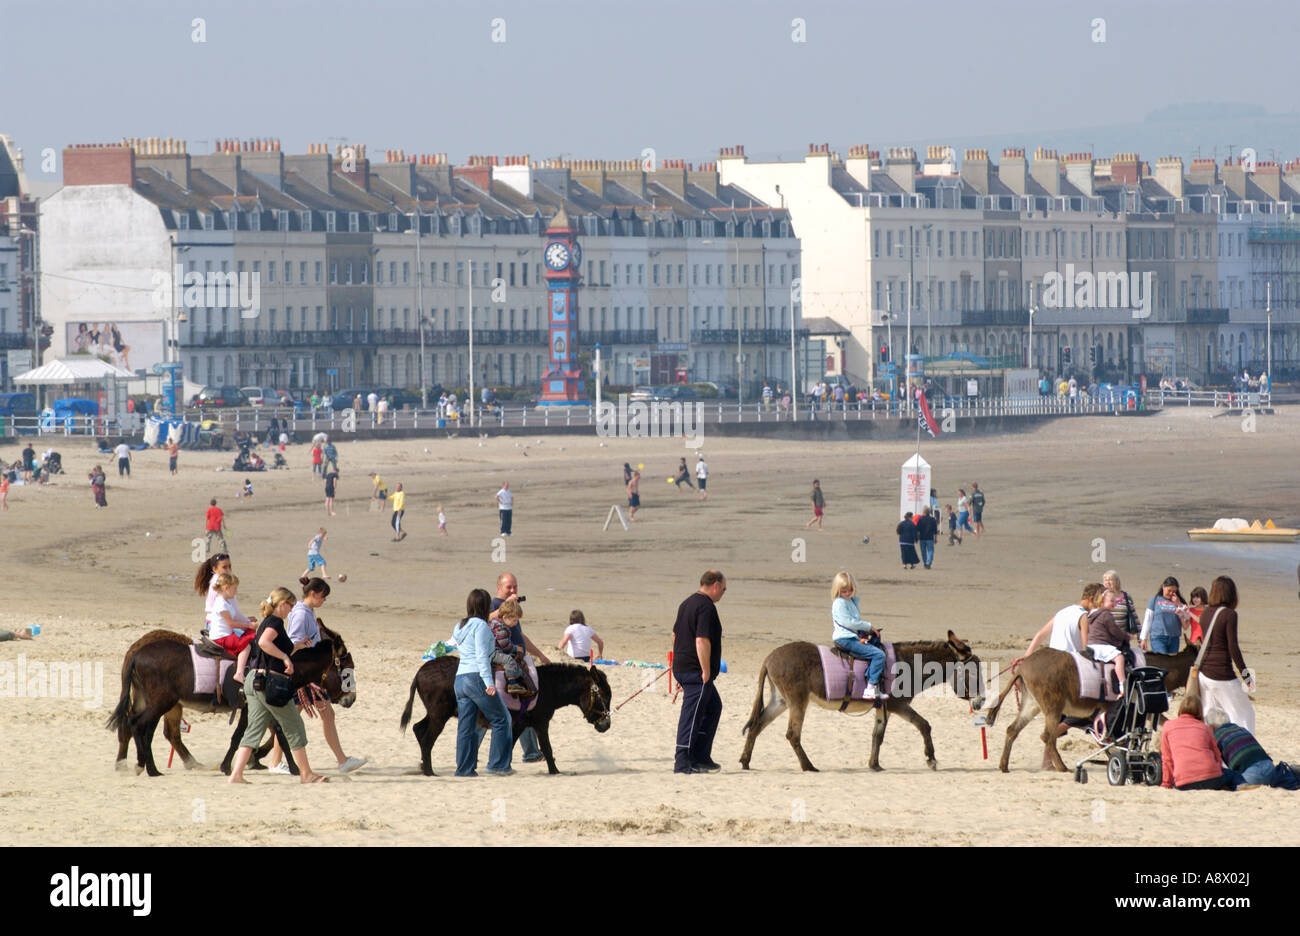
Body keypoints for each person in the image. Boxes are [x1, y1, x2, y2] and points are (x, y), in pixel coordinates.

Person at [228, 586, 329, 784]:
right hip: (270, 684)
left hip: (253, 681)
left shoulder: (266, 621)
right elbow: (266, 643)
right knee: (294, 725)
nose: (291, 610)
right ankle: (306, 774)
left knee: (254, 728)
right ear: (282, 604)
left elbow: (268, 648)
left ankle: (236, 774)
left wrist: (296, 647)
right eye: (290, 606)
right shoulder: (275, 621)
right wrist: (285, 657)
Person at [287, 577, 366, 773]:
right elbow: (294, 645)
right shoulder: (300, 614)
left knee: (293, 717)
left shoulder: (307, 611)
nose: (324, 601)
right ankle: (342, 760)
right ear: (312, 594)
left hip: (309, 673)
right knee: (301, 717)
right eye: (323, 597)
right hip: (306, 674)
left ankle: (341, 760)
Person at [490, 572, 551, 764]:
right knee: (502, 708)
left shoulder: (512, 609)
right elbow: (482, 619)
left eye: (515, 586)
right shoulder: (495, 604)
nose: (513, 590)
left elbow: (521, 637)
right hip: (503, 664)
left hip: (519, 660)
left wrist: (539, 654)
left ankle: (531, 751)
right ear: (499, 587)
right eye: (509, 587)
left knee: (525, 704)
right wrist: (505, 605)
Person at [453, 588, 513, 776]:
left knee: (466, 726)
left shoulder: (460, 625)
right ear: (486, 606)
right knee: (502, 719)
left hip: (460, 679)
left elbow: (451, 643)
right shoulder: (481, 626)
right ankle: (498, 766)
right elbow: (481, 656)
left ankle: (464, 769)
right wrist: (489, 682)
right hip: (475, 677)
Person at [672, 570, 726, 774]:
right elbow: (701, 640)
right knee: (692, 714)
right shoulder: (705, 607)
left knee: (713, 707)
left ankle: (701, 756)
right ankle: (682, 762)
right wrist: (704, 670)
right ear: (715, 586)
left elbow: (675, 635)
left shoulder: (686, 603)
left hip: (684, 668)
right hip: (696, 671)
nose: (723, 593)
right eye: (724, 589)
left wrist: (678, 668)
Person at [1195, 575, 1256, 734]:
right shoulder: (1229, 614)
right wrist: (1246, 676)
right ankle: (1244, 750)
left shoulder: (1206, 613)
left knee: (1211, 717)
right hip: (1222, 673)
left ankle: (1214, 752)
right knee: (1244, 715)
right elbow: (1232, 647)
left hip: (1204, 673)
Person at [1160, 693, 1247, 791]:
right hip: (1211, 777)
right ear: (1199, 711)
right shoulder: (1204, 728)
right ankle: (1242, 786)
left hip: (1184, 782)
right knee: (1233, 775)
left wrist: (1166, 783)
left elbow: (1167, 759)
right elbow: (1216, 754)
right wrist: (1217, 769)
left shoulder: (1168, 726)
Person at [830, 571, 887, 700]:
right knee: (879, 654)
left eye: (850, 590)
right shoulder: (839, 603)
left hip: (851, 637)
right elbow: (848, 622)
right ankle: (870, 687)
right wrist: (868, 627)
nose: (848, 593)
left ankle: (874, 687)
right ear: (838, 590)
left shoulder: (849, 601)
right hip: (845, 639)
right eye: (844, 591)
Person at [1205, 708, 1278, 787]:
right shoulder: (1242, 729)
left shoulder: (1216, 736)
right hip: (1270, 768)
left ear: (1211, 727)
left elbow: (1214, 763)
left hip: (1251, 774)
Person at [1024, 583, 1100, 656]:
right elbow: (1086, 647)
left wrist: (1027, 655)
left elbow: (1041, 634)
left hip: (1053, 656)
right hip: (1070, 660)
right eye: (1100, 602)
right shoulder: (1084, 616)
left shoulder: (1063, 612)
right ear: (1091, 599)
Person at [208, 572, 257, 684]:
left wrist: (248, 620)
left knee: (248, 634)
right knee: (246, 646)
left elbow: (234, 619)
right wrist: (248, 625)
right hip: (221, 637)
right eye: (234, 588)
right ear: (226, 588)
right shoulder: (221, 604)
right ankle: (239, 673)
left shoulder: (226, 602)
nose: (236, 591)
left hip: (226, 634)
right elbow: (231, 623)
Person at [488, 597, 534, 697]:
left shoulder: (494, 623)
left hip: (493, 650)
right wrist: (516, 648)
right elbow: (505, 646)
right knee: (508, 659)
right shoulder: (501, 628)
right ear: (505, 617)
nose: (516, 623)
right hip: (493, 652)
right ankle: (512, 683)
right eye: (514, 620)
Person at [1086, 588, 1130, 694]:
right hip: (1100, 645)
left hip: (1090, 645)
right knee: (1119, 658)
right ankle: (1123, 684)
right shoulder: (1106, 615)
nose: (1114, 604)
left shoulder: (1091, 613)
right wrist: (1127, 637)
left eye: (1115, 601)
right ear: (1102, 601)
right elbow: (1115, 631)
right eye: (1111, 601)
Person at [1140, 576, 1187, 654]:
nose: (1171, 593)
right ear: (1163, 587)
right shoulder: (1154, 600)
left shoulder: (1179, 602)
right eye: (1169, 590)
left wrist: (1179, 604)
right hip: (1158, 637)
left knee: (1172, 664)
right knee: (1162, 663)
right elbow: (1148, 619)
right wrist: (1143, 638)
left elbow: (1186, 617)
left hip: (1174, 638)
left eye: (1174, 591)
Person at [1101, 570, 1139, 636]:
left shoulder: (1126, 596)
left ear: (1117, 581)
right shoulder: (1101, 596)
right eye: (1105, 580)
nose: (1107, 582)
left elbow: (1134, 617)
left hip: (1122, 637)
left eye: (1110, 580)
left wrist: (1141, 638)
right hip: (1105, 636)